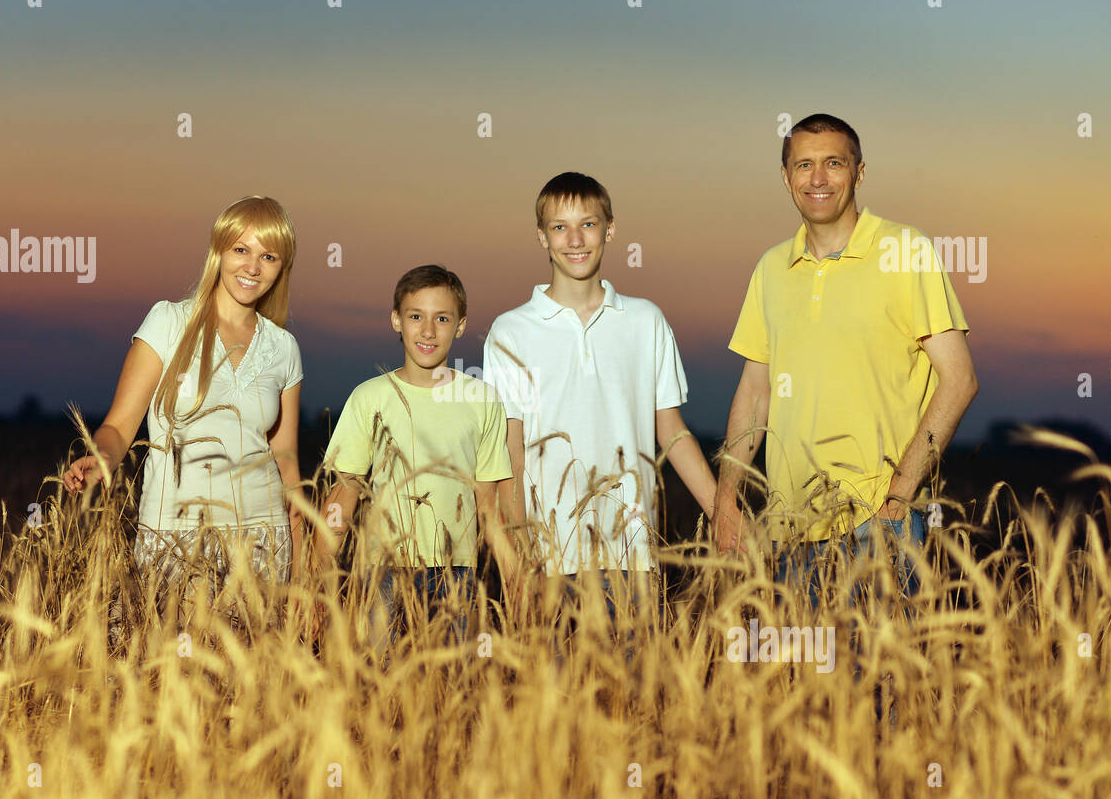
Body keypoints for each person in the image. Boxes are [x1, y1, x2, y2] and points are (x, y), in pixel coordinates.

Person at [713, 114, 979, 613]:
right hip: (788, 531)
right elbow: (755, 391)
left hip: (878, 526)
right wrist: (727, 496)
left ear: (858, 172)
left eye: (833, 164)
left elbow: (960, 379)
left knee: (883, 684)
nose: (818, 179)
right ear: (786, 177)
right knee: (806, 687)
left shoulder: (906, 250)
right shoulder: (771, 268)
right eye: (804, 165)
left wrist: (899, 495)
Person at [63, 195, 305, 643]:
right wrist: (100, 457)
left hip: (261, 542)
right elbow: (119, 425)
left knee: (242, 690)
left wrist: (304, 572)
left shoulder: (283, 348)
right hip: (174, 535)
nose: (253, 266)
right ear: (219, 250)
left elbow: (287, 463)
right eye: (241, 250)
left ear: (281, 267)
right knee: (162, 676)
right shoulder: (169, 322)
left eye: (268, 256)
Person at [482, 172, 717, 623]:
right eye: (559, 227)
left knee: (635, 693)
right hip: (548, 561)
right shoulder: (511, 331)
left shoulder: (645, 321)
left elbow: (672, 430)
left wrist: (723, 514)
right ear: (541, 236)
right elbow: (509, 449)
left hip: (633, 558)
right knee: (552, 692)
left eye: (588, 225)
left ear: (610, 229)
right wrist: (517, 550)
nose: (575, 239)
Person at [316, 265, 515, 649]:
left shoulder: (482, 399)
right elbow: (342, 498)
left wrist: (515, 580)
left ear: (460, 325)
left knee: (456, 688)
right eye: (415, 316)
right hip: (382, 571)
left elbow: (490, 507)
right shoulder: (369, 397)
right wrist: (318, 580)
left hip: (457, 575)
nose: (428, 331)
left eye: (442, 318)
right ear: (396, 320)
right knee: (381, 683)